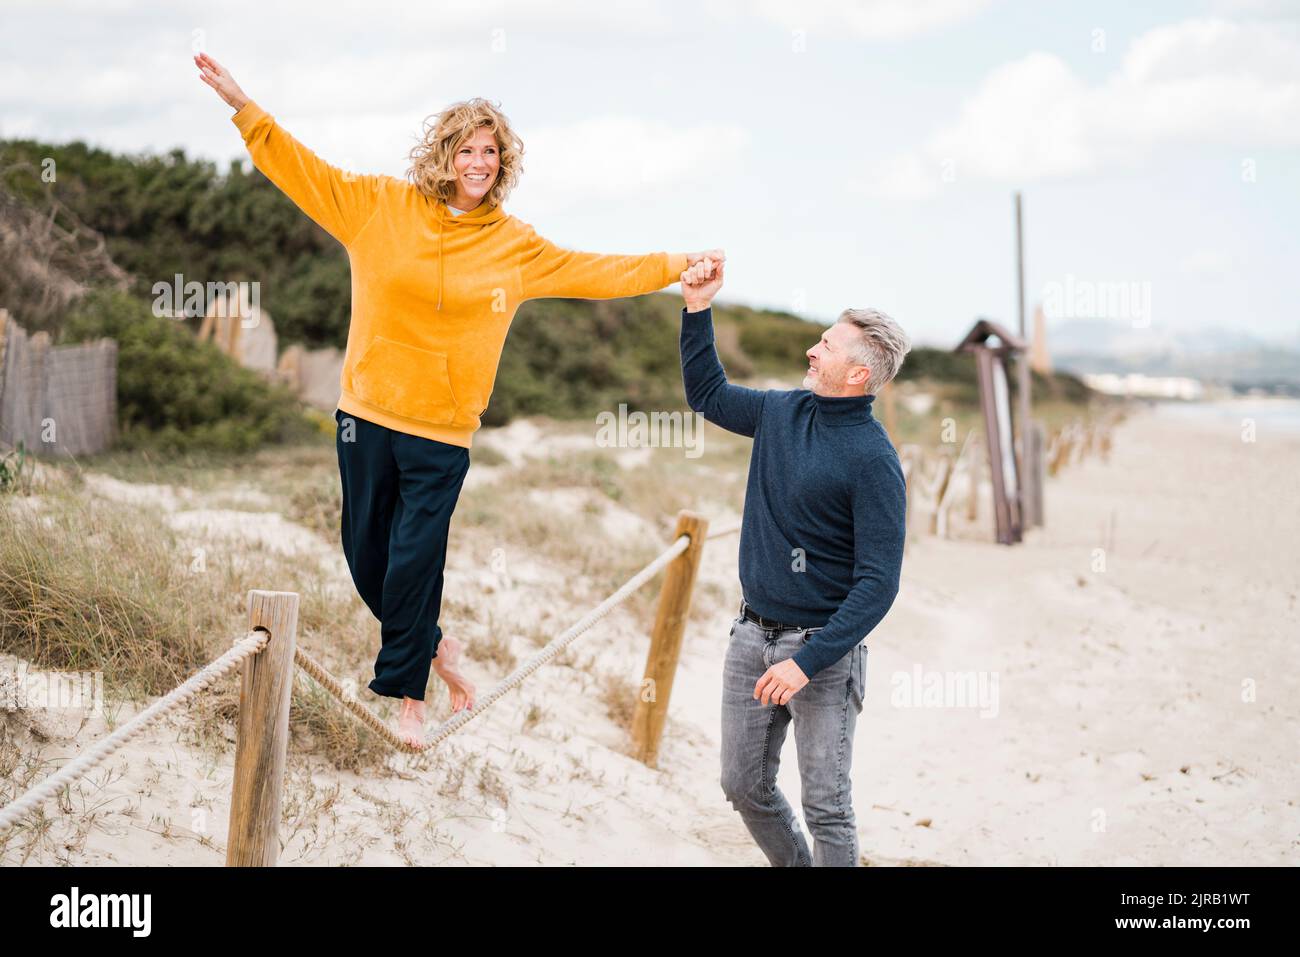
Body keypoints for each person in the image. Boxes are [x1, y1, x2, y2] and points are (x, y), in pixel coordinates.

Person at [196, 52, 724, 746]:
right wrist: (245, 108)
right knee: (365, 555)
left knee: (415, 557)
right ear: (444, 153)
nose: (481, 161)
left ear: (503, 165)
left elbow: (595, 271)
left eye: (493, 152)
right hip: (365, 417)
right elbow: (303, 170)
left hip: (443, 433)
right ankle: (437, 648)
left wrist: (674, 265)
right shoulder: (379, 206)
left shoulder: (515, 245)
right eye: (469, 148)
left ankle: (408, 697)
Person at [676, 258, 909, 866]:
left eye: (825, 346)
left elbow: (879, 583)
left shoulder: (874, 461)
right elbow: (707, 396)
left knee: (827, 806)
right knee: (742, 786)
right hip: (752, 634)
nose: (811, 350)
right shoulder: (782, 414)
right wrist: (698, 308)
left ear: (857, 373)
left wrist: (806, 663)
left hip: (824, 653)